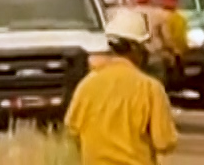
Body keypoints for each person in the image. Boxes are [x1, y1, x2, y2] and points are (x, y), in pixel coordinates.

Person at [66, 9, 179, 165]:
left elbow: (72, 130)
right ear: (135, 49)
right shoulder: (150, 88)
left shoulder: (87, 86)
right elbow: (164, 142)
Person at [156, 0, 188, 66]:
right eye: (166, 0)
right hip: (167, 54)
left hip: (173, 54)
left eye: (170, 0)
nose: (168, 3)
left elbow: (181, 38)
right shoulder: (158, 16)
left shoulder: (179, 18)